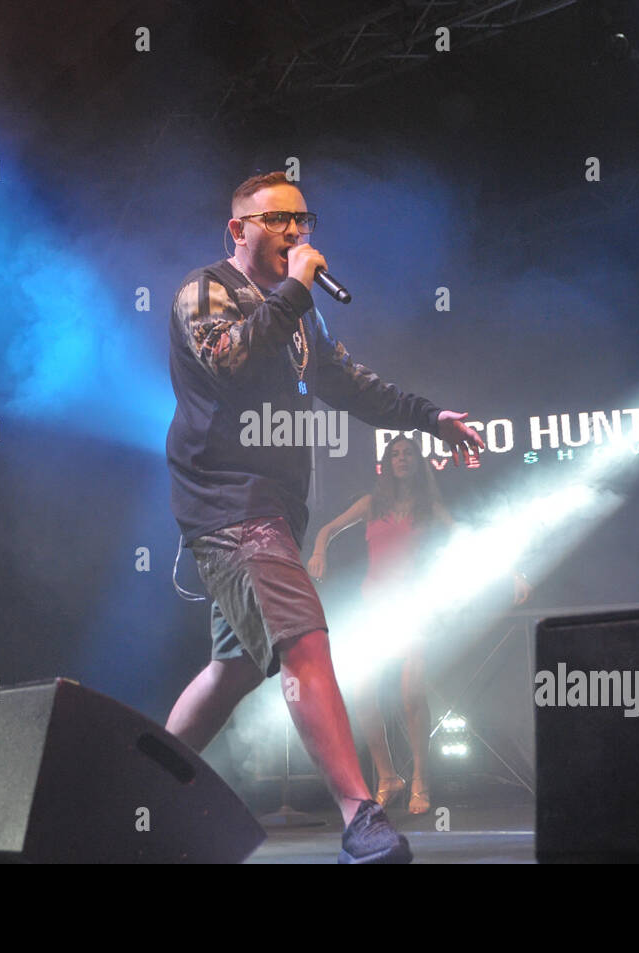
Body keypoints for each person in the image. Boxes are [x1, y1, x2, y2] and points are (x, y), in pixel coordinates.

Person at [163, 170, 487, 863]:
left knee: (234, 668)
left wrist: (430, 418)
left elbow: (348, 383)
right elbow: (228, 359)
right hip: (226, 498)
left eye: (302, 221)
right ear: (238, 230)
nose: (295, 232)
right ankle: (360, 815)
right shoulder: (206, 288)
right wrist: (294, 291)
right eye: (278, 219)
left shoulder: (300, 309)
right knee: (305, 639)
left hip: (276, 505)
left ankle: (146, 784)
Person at [308, 435, 531, 816]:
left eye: (407, 453)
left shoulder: (430, 508)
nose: (401, 459)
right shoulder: (370, 504)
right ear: (386, 463)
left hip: (413, 608)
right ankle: (387, 776)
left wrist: (511, 573)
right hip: (375, 608)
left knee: (412, 693)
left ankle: (421, 780)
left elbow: (471, 542)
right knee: (362, 693)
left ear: (418, 461)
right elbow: (326, 529)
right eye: (394, 454)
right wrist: (318, 552)